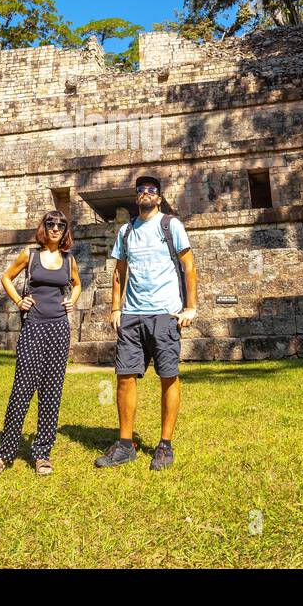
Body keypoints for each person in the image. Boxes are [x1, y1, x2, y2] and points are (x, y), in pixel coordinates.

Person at [96, 175, 198, 471]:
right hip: (132, 315)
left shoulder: (171, 225)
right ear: (136, 196)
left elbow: (189, 266)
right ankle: (125, 445)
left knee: (168, 376)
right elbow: (118, 273)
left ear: (159, 196)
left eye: (152, 190)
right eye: (141, 190)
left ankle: (164, 446)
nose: (146, 194)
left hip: (165, 314)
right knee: (125, 376)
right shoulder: (126, 231)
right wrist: (116, 309)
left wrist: (190, 307)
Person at [0, 210, 81, 476]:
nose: (55, 228)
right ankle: (4, 454)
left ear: (65, 231)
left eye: (61, 225)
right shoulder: (30, 255)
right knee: (22, 389)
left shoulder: (68, 259)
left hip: (59, 329)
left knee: (51, 391)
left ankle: (42, 454)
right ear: (44, 227)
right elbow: (6, 278)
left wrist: (71, 300)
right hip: (33, 327)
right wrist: (19, 301)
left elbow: (77, 284)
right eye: (51, 224)